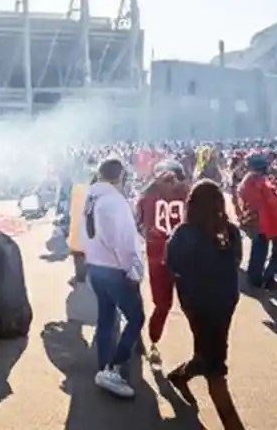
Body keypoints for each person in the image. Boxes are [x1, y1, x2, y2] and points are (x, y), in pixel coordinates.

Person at [164, 179, 244, 430]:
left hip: (197, 304)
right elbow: (237, 260)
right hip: (225, 301)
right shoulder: (230, 232)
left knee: (213, 364)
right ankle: (184, 374)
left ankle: (185, 374)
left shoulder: (184, 234)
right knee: (213, 357)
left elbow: (173, 264)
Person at [83, 157, 145, 399]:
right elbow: (124, 240)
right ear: (120, 177)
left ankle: (104, 365)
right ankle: (113, 368)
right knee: (136, 318)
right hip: (114, 268)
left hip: (96, 266)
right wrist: (133, 269)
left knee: (106, 318)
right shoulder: (114, 201)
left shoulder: (91, 196)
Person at [135, 161, 189, 369]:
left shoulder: (148, 194)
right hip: (182, 257)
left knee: (163, 305)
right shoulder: (187, 192)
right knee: (187, 304)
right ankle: (155, 343)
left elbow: (138, 221)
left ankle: (153, 342)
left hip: (160, 255)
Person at [236, 154, 277, 290]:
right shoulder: (254, 181)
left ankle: (257, 278)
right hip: (264, 224)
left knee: (260, 251)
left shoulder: (255, 179)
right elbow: (258, 205)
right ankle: (258, 279)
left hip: (266, 223)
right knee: (261, 252)